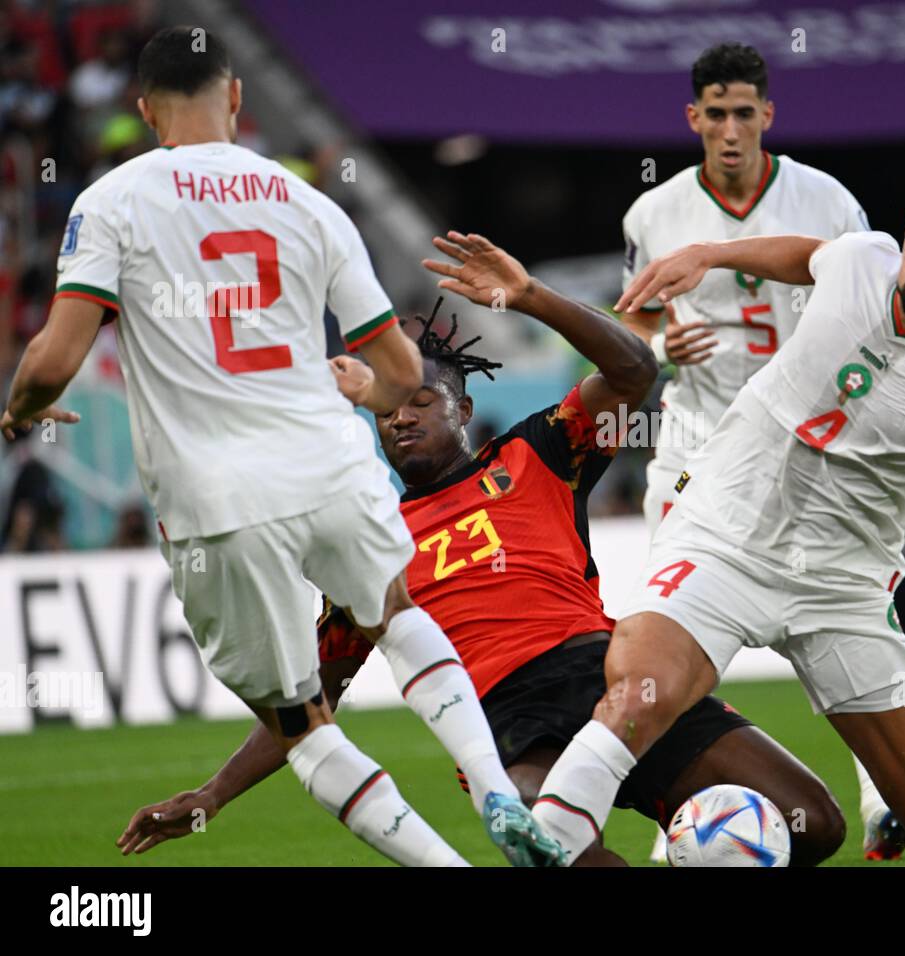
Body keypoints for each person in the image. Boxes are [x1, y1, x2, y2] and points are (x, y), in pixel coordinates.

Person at [3, 26, 556, 867]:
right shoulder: (310, 203)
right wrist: (366, 388)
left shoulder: (110, 201)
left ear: (145, 110)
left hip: (215, 501)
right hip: (329, 467)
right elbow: (401, 367)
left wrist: (21, 409)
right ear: (235, 98)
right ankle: (494, 790)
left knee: (299, 722)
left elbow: (55, 358)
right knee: (395, 614)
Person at [117, 234, 845, 866]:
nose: (400, 419)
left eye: (420, 402)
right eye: (387, 410)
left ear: (462, 410)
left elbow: (633, 373)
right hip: (503, 725)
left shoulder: (539, 451)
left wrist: (530, 297)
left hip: (614, 674)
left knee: (810, 825)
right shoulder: (366, 539)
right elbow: (314, 696)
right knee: (550, 841)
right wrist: (212, 794)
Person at [527, 176, 905, 868]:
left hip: (841, 589)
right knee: (643, 689)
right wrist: (710, 256)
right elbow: (806, 256)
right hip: (722, 533)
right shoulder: (865, 260)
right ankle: (553, 832)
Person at [618, 40, 872, 857]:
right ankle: (676, 814)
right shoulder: (654, 213)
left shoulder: (825, 200)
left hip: (804, 445)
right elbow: (630, 322)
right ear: (692, 119)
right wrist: (663, 346)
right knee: (673, 639)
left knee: (850, 620)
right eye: (714, 114)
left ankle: (886, 798)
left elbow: (872, 314)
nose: (730, 129)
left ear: (769, 114)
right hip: (696, 442)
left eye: (744, 113)